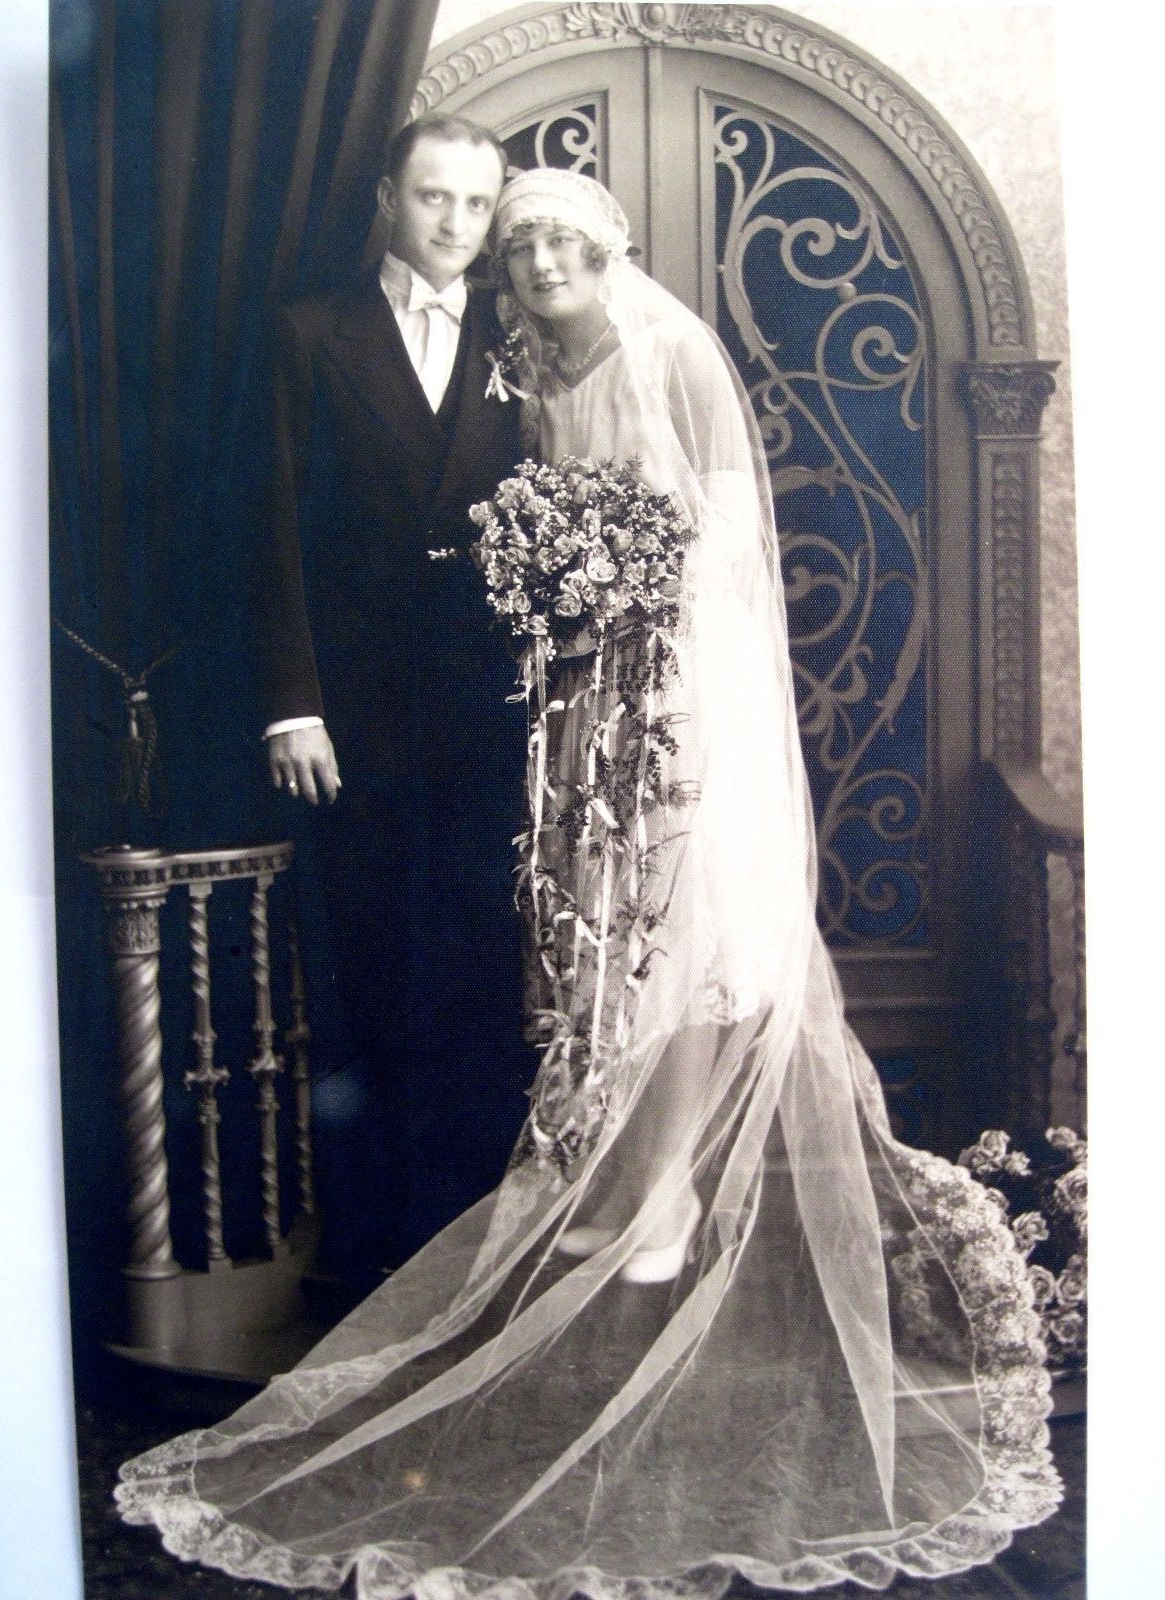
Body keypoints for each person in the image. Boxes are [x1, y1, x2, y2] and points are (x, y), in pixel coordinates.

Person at [117, 168, 1062, 1594]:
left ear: (616, 245)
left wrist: (628, 619)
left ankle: (665, 1183)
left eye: (567, 237)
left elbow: (731, 541)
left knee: (684, 925)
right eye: (523, 242)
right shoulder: (519, 370)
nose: (544, 257)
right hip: (559, 699)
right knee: (592, 928)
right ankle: (598, 1168)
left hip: (671, 689)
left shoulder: (671, 350)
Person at [255, 114, 532, 1265]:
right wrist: (292, 701)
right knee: (367, 972)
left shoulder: (521, 333)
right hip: (353, 717)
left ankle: (472, 1256)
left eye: (476, 205)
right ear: (387, 195)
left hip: (488, 715)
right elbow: (264, 531)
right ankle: (373, 1262)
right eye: (433, 198)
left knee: (479, 974)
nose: (455, 225)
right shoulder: (309, 334)